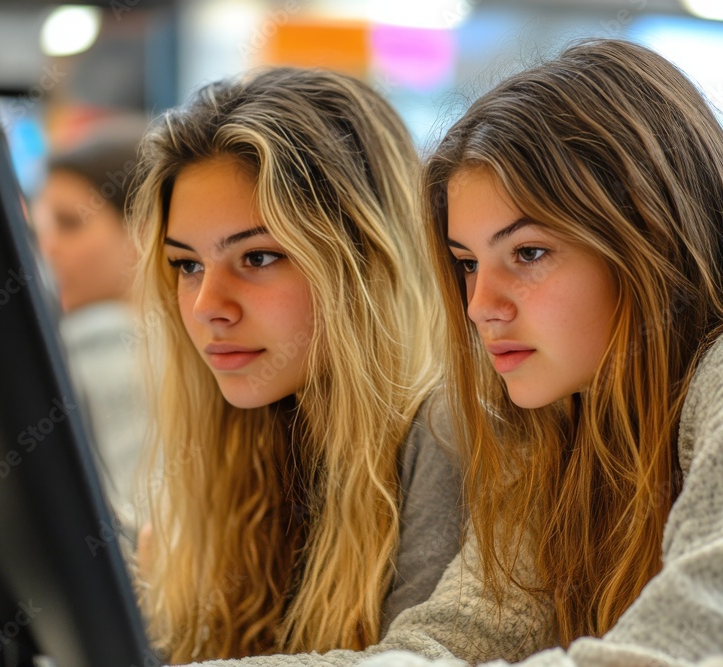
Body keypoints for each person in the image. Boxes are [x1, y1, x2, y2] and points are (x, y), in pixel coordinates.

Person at [184, 39, 723, 667]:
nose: (479, 304)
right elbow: (448, 645)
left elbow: (683, 654)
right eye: (467, 263)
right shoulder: (564, 414)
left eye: (527, 253)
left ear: (649, 235)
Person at [127, 67, 463, 664]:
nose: (207, 308)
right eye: (187, 266)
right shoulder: (254, 441)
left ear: (365, 260)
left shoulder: (444, 437)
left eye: (257, 257)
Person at [32, 119, 149, 537]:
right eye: (41, 229)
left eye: (69, 223)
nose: (47, 247)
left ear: (143, 232)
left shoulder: (105, 340)